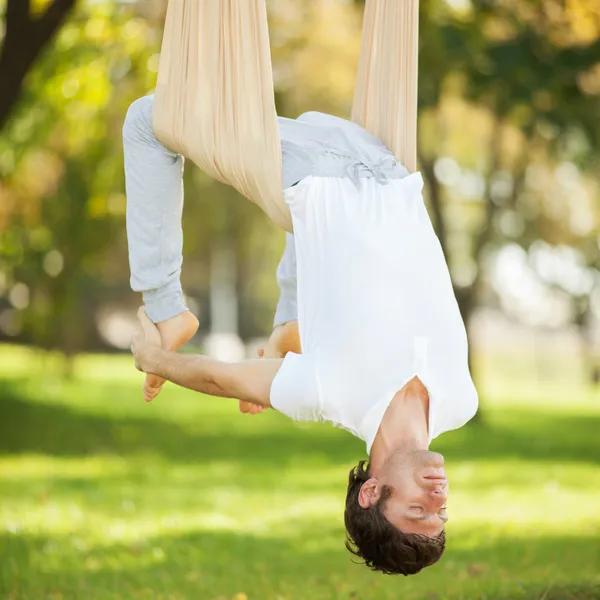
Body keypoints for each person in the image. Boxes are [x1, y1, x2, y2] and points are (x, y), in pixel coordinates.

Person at [124, 94, 479, 576]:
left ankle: (166, 307)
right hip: (388, 169)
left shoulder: (328, 395)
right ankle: (285, 332)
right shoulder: (460, 401)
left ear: (372, 492)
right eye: (440, 513)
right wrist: (284, 344)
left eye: (417, 510)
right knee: (312, 245)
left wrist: (155, 358)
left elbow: (218, 377)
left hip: (322, 170)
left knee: (148, 119)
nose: (437, 498)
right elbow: (367, 304)